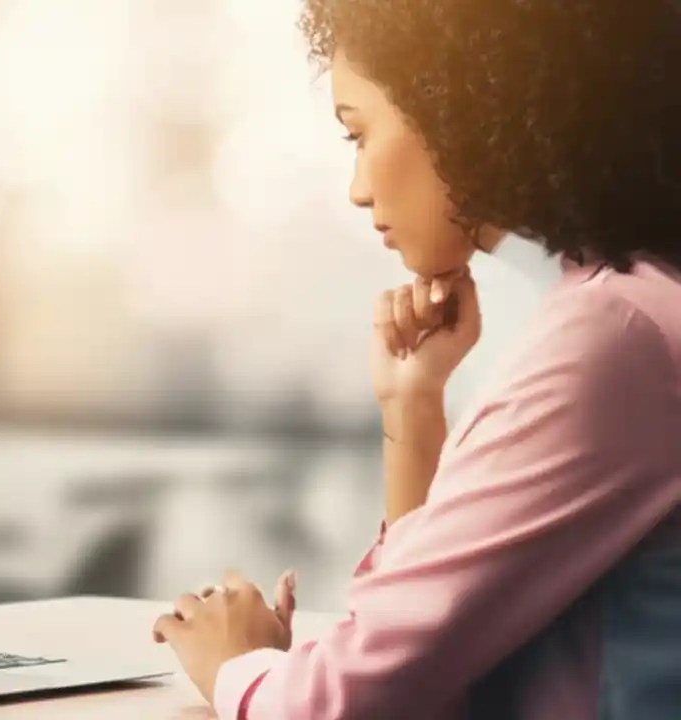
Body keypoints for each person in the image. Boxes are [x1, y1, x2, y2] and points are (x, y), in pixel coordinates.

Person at [151, 1, 681, 717]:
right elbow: (427, 656)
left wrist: (236, 665)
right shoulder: (635, 305)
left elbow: (346, 703)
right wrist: (412, 408)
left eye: (359, 133)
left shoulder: (614, 340)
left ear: (460, 102)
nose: (358, 189)